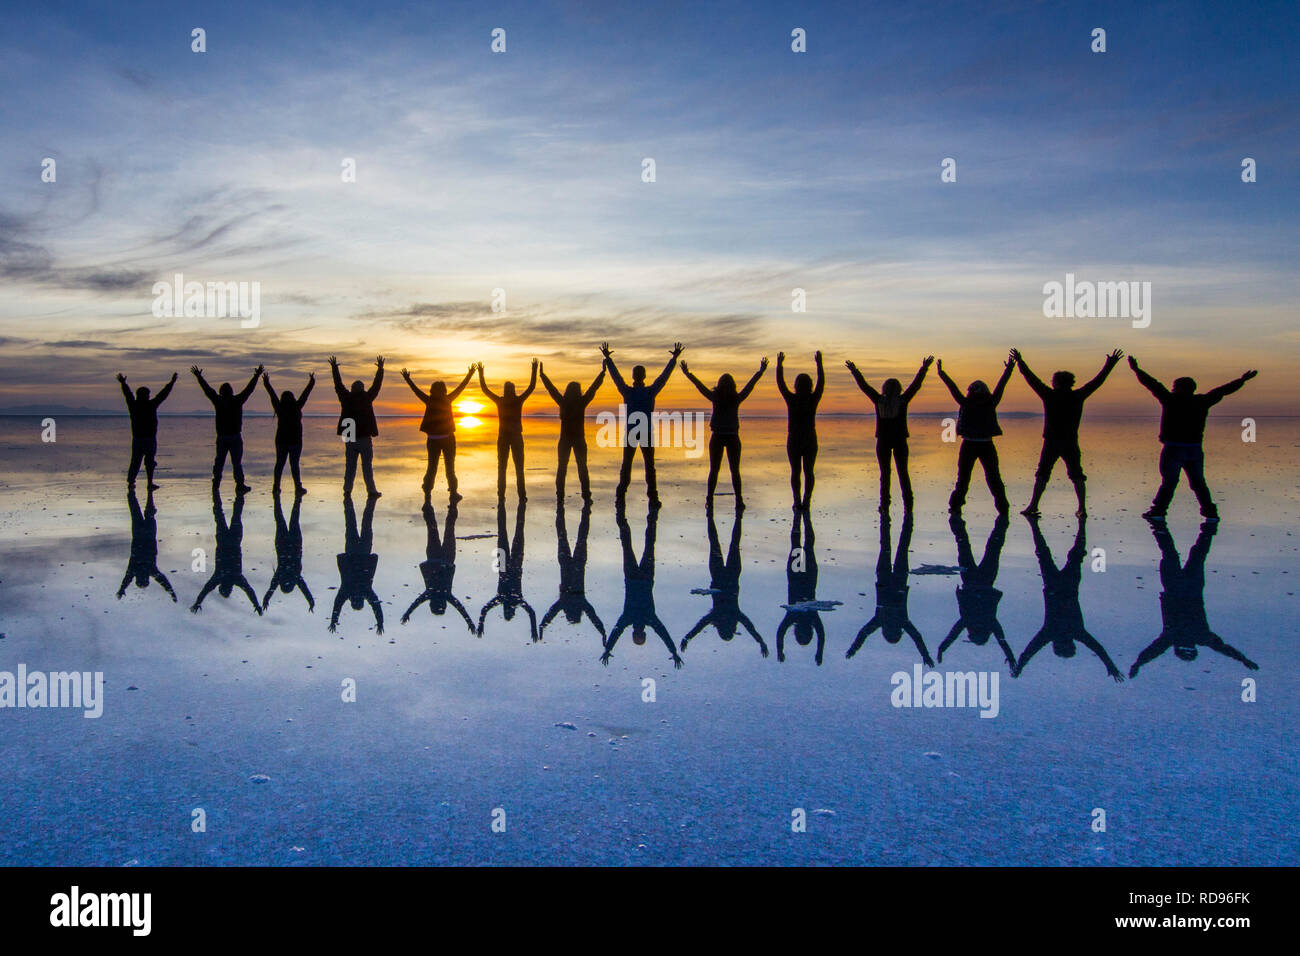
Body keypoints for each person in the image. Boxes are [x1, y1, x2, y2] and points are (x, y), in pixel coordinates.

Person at [1128, 357, 1258, 520]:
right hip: (1194, 450)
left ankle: (1159, 511)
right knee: (1198, 482)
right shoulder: (1202, 401)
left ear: (1181, 388)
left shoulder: (1170, 399)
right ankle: (1209, 511)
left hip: (1174, 449)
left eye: (1175, 386)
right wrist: (1242, 380)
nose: (1172, 388)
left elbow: (1152, 384)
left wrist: (1136, 370)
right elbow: (1222, 391)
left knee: (1170, 482)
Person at [1129, 519, 1258, 677]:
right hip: (1180, 588)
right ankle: (1161, 525)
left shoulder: (1197, 636)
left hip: (1189, 588)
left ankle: (1206, 528)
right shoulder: (1176, 637)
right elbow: (1153, 651)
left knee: (1192, 554)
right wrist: (1138, 664)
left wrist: (1243, 659)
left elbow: (1153, 652)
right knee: (1174, 553)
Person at [1012, 348, 1122, 517]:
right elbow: (1096, 382)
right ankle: (1082, 508)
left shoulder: (1050, 395)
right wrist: (1109, 365)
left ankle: (1034, 505)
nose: (1051, 382)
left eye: (1053, 380)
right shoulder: (1077, 396)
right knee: (1076, 474)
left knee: (1043, 474)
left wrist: (1020, 362)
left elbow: (1031, 379)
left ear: (1056, 382)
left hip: (1052, 442)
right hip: (1070, 441)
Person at [1016, 516, 1123, 682]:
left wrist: (1110, 666)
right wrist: (1019, 666)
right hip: (1058, 586)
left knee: (1072, 555)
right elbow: (1030, 650)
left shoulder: (1074, 632)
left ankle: (1080, 523)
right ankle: (1037, 525)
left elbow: (1098, 648)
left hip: (1067, 586)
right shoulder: (1054, 632)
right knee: (1045, 554)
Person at [601, 341, 683, 508]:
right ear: (643, 376)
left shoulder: (630, 391)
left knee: (631, 466)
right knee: (647, 467)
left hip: (635, 432)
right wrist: (673, 359)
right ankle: (647, 498)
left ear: (634, 376)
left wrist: (608, 360)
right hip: (642, 432)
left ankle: (623, 496)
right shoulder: (647, 391)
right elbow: (663, 378)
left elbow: (617, 378)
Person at [845, 355, 932, 512]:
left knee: (885, 475)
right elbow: (916, 385)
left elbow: (864, 386)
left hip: (884, 442)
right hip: (899, 441)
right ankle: (908, 506)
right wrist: (924, 368)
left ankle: (885, 506)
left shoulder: (879, 401)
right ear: (899, 389)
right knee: (903, 474)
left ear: (884, 389)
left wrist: (854, 370)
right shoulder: (903, 400)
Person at [680, 357, 768, 509]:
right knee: (725, 470)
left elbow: (699, 386)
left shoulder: (727, 398)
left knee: (722, 470)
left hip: (727, 436)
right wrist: (760, 372)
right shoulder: (732, 398)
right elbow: (750, 386)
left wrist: (688, 374)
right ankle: (729, 500)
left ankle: (728, 499)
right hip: (723, 436)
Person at [845, 514, 932, 665]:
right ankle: (886, 513)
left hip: (898, 580)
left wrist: (925, 655)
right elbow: (863, 634)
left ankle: (907, 516)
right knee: (886, 545)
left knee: (901, 547)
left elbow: (916, 637)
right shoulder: (881, 621)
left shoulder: (900, 622)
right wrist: (853, 649)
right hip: (885, 580)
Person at [679, 509, 767, 658]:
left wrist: (761, 642)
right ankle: (712, 515)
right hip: (723, 575)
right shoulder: (721, 615)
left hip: (726, 576)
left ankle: (733, 515)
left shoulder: (726, 615)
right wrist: (687, 638)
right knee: (719, 543)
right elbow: (750, 628)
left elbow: (750, 628)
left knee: (731, 544)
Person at [936, 353, 1015, 514]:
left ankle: (956, 505)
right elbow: (1001, 387)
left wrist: (941, 373)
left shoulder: (968, 402)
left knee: (966, 479)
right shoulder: (990, 402)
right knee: (991, 478)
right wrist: (1008, 371)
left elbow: (953, 389)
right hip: (983, 444)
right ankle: (1002, 507)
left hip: (973, 444)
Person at [604, 505, 680, 668]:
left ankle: (650, 514)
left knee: (648, 544)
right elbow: (617, 632)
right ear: (638, 632)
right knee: (629, 545)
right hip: (634, 578)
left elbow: (663, 634)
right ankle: (623, 516)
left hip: (643, 578)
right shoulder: (632, 618)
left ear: (641, 632)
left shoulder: (647, 619)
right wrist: (608, 648)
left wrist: (673, 652)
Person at [937, 514, 1016, 671]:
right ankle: (957, 520)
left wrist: (1011, 657)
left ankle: (1002, 521)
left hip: (985, 580)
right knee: (964, 546)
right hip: (971, 581)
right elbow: (952, 635)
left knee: (993, 548)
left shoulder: (989, 622)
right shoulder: (968, 620)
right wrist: (941, 649)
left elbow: (1002, 640)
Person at [401, 364, 475, 502]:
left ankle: (428, 490)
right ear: (444, 390)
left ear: (432, 390)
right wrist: (470, 374)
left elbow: (416, 391)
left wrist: (407, 379)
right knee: (449, 467)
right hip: (446, 439)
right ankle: (453, 492)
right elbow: (461, 387)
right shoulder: (447, 399)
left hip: (433, 440)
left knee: (432, 467)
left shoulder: (430, 400)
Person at [401, 501, 473, 633]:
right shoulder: (432, 594)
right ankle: (429, 504)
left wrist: (469, 621)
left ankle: (449, 504)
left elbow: (459, 607)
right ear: (431, 604)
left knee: (447, 528)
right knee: (433, 529)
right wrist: (407, 613)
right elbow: (417, 603)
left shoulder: (445, 595)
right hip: (436, 559)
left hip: (444, 560)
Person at [538, 360, 605, 501]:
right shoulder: (581, 402)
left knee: (563, 468)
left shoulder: (564, 402)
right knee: (580, 468)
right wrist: (602, 372)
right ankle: (585, 495)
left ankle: (561, 496)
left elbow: (552, 389)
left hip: (568, 440)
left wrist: (542, 375)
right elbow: (593, 388)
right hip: (577, 440)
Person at [539, 500, 605, 641]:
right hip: (567, 564)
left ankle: (585, 510)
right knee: (562, 535)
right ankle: (561, 509)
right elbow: (551, 614)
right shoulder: (564, 602)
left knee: (581, 536)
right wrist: (542, 627)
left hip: (577, 564)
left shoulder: (581, 603)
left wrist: (603, 633)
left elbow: (594, 617)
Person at [191, 485, 261, 616]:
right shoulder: (219, 577)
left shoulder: (236, 578)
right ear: (221, 587)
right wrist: (198, 602)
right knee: (220, 515)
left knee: (235, 516)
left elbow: (249, 591)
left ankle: (237, 494)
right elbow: (205, 590)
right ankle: (216, 492)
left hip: (234, 540)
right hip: (224, 541)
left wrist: (256, 605)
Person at [192, 364, 263, 492]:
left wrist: (199, 377)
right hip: (232, 436)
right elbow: (249, 389)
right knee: (235, 462)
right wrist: (256, 376)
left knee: (221, 461)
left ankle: (217, 483)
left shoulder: (219, 400)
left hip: (224, 437)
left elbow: (207, 390)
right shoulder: (236, 400)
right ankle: (237, 484)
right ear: (230, 391)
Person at [477, 499, 536, 640]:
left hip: (511, 566)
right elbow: (484, 610)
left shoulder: (509, 599)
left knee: (516, 531)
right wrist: (481, 624)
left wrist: (481, 624)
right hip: (509, 566)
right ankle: (506, 502)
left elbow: (531, 613)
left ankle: (509, 502)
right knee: (505, 531)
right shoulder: (506, 599)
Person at [478, 360, 538, 500]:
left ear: (506, 390)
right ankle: (519, 496)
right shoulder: (515, 400)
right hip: (512, 437)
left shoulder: (503, 400)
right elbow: (531, 387)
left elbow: (485, 389)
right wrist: (534, 370)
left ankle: (504, 495)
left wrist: (481, 373)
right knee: (516, 468)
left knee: (503, 467)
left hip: (507, 437)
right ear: (512, 390)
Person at [329, 354, 384, 498]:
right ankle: (370, 491)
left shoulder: (346, 398)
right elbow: (376, 386)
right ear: (362, 389)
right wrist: (380, 370)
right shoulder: (366, 398)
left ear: (353, 389)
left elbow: (338, 385)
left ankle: (348, 490)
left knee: (350, 466)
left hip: (350, 435)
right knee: (366, 466)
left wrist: (334, 369)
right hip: (363, 437)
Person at [776, 351, 825, 511]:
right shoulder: (812, 398)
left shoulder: (793, 399)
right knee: (808, 471)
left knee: (796, 471)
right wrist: (819, 364)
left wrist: (780, 365)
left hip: (796, 439)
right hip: (808, 438)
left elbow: (781, 384)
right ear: (809, 385)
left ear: (796, 385)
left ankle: (798, 500)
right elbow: (821, 383)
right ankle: (805, 500)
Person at [330, 493, 382, 633]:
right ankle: (348, 500)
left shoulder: (364, 592)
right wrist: (333, 620)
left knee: (366, 523)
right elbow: (338, 605)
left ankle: (365, 501)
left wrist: (380, 622)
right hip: (354, 552)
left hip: (362, 552)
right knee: (352, 524)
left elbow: (375, 605)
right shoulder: (348, 592)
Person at [117, 371, 177, 489]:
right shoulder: (150, 405)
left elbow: (128, 395)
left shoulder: (134, 405)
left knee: (137, 461)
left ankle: (132, 482)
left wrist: (123, 383)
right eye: (148, 394)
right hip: (147, 439)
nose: (149, 396)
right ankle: (147, 483)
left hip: (139, 439)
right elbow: (163, 394)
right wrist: (172, 382)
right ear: (146, 395)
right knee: (148, 462)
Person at [116, 487, 177, 603]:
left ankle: (144, 492)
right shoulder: (138, 569)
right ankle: (134, 492)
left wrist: (172, 593)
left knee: (147, 513)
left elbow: (162, 581)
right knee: (137, 512)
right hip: (141, 535)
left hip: (146, 536)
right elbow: (127, 579)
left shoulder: (148, 569)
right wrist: (122, 589)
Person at [262, 370, 315, 496]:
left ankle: (276, 486)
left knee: (279, 464)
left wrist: (266, 383)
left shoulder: (279, 407)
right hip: (295, 441)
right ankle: (297, 487)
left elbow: (272, 394)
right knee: (294, 464)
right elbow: (305, 395)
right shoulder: (296, 406)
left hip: (281, 440)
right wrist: (311, 382)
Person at [262, 487, 314, 613]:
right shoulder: (280, 576)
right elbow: (271, 589)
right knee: (281, 519)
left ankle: (295, 499)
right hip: (283, 544)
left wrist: (311, 602)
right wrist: (266, 600)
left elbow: (305, 590)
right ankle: (277, 498)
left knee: (293, 518)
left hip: (294, 545)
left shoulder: (295, 577)